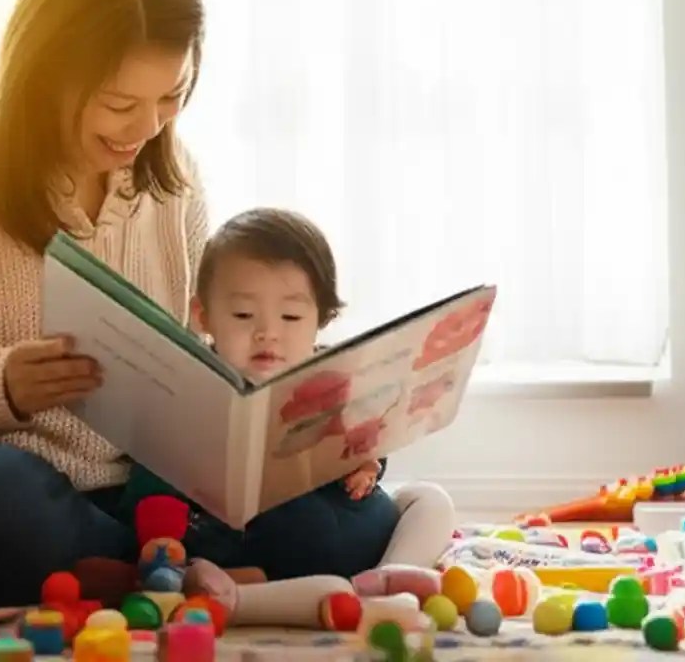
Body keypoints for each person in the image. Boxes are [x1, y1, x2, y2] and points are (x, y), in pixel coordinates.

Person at [0, 0, 396, 630]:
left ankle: (109, 581)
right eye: (120, 102)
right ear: (44, 70)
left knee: (355, 521)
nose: (147, 127)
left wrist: (319, 443)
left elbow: (197, 377)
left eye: (170, 97)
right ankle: (164, 582)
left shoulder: (170, 176)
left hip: (130, 510)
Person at [120, 208, 455, 627]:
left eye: (291, 317)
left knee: (429, 500)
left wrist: (368, 464)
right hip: (268, 540)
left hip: (355, 523)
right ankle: (244, 599)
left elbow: (369, 440)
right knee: (306, 536)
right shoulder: (191, 389)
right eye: (243, 316)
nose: (268, 333)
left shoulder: (336, 378)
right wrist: (161, 536)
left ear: (321, 320)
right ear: (203, 316)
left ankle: (391, 577)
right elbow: (156, 476)